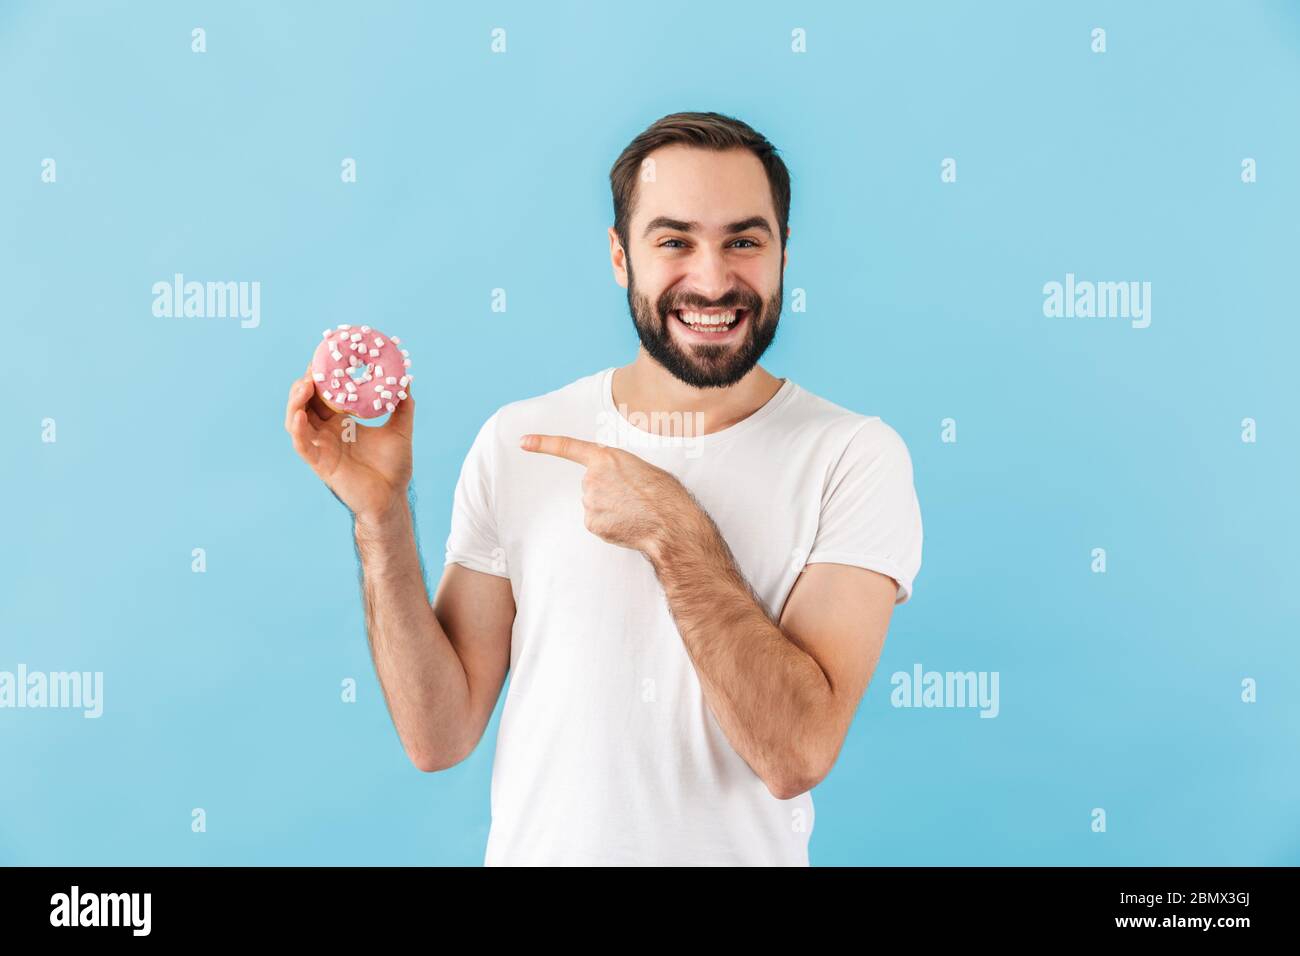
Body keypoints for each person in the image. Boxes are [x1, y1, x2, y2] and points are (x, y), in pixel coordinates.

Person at [285, 111, 923, 866]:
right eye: (674, 240)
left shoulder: (853, 457)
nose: (713, 280)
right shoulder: (519, 438)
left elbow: (796, 753)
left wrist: (672, 531)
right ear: (621, 256)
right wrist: (383, 519)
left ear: (785, 253)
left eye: (744, 241)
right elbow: (439, 735)